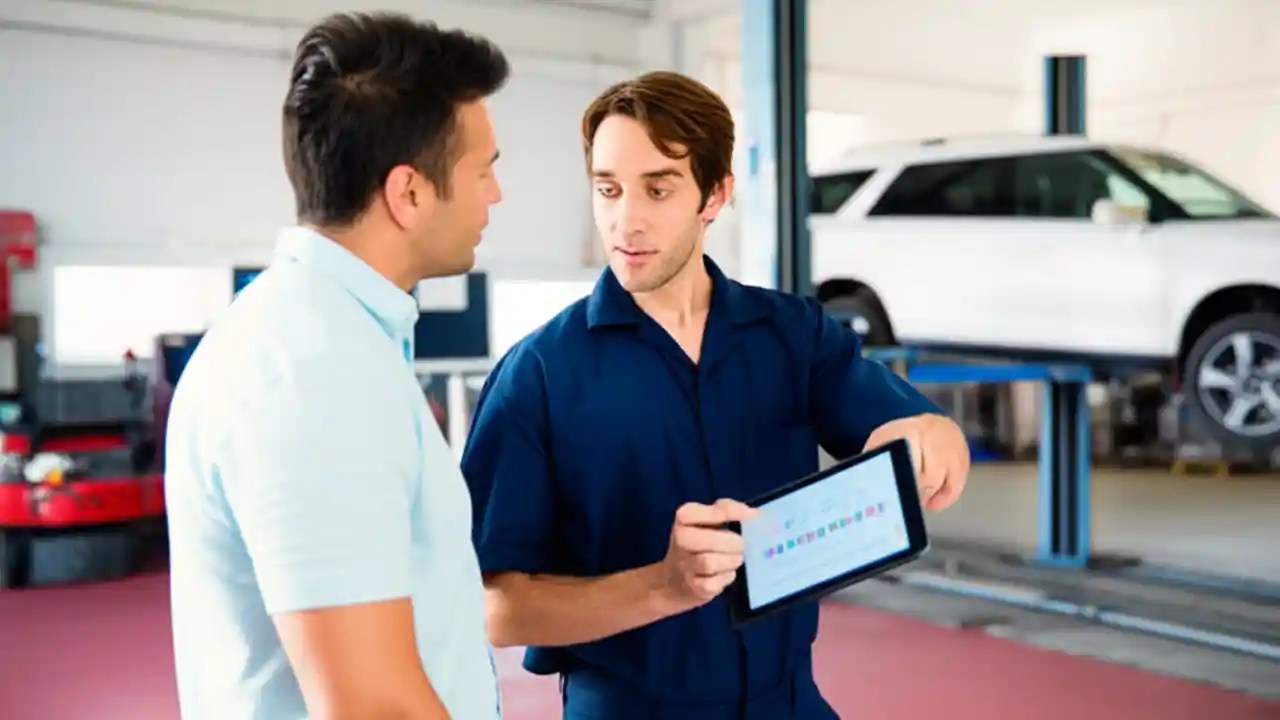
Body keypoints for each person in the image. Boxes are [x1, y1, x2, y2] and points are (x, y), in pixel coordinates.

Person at [461, 70, 971, 719]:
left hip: (789, 703)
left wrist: (929, 436)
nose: (626, 220)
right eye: (608, 189)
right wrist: (661, 588)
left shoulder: (793, 335)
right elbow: (491, 607)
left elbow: (911, 430)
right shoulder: (539, 374)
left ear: (716, 194)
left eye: (658, 188)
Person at [163, 12, 508, 720]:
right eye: (484, 170)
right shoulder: (314, 371)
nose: (495, 194)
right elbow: (374, 706)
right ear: (409, 193)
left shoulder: (328, 336)